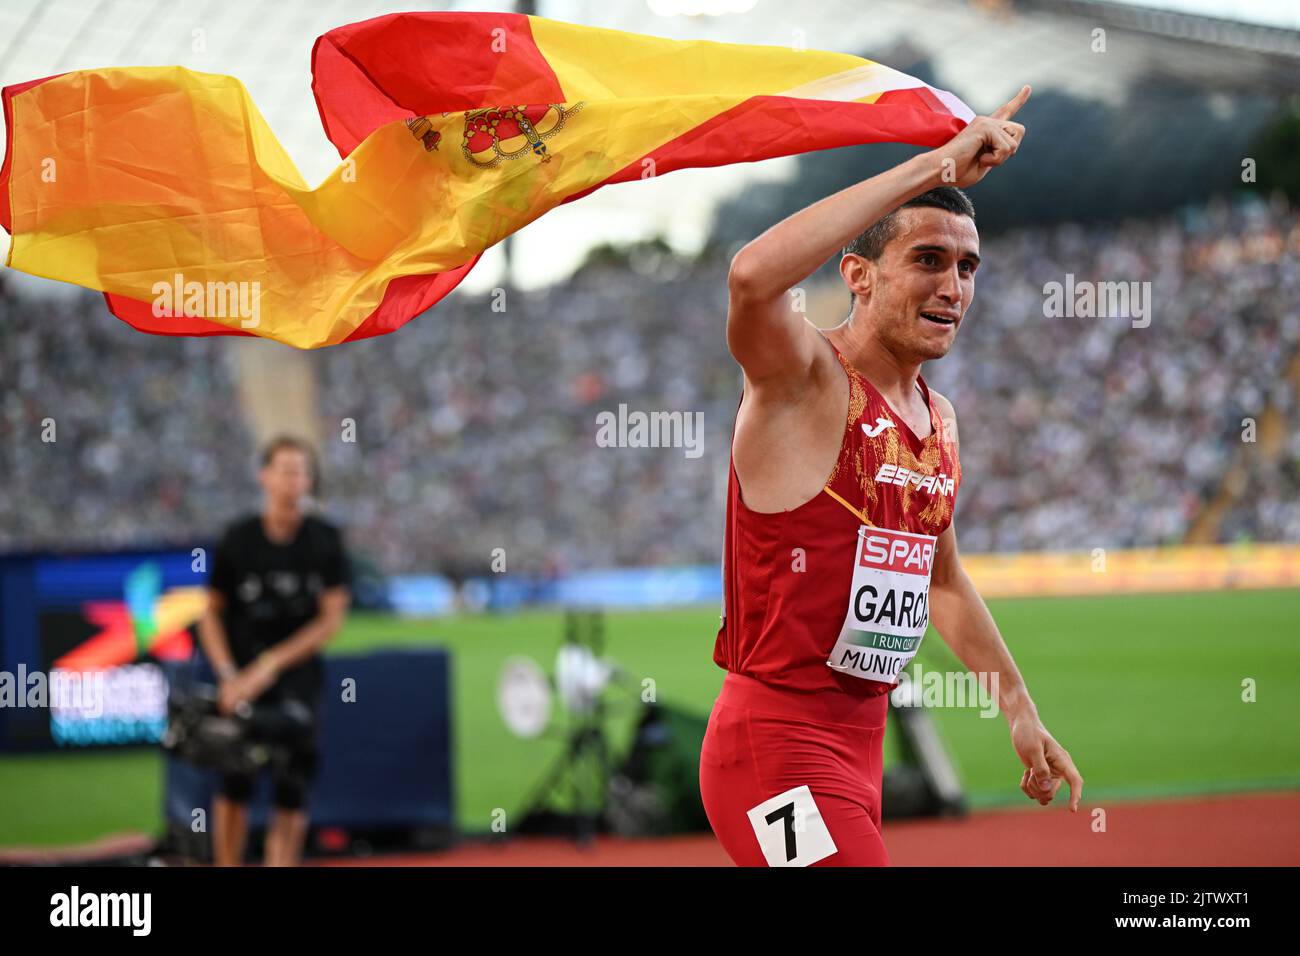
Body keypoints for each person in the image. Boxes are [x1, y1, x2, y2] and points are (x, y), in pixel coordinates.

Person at [699, 85, 1083, 867]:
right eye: (928, 260)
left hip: (859, 750)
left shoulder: (938, 420)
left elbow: (941, 580)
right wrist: (934, 166)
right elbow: (751, 278)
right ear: (859, 274)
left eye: (968, 267)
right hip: (772, 752)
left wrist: (1016, 705)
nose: (954, 287)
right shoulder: (804, 378)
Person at [198, 435, 351, 866]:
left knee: (293, 784)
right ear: (264, 476)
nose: (293, 480)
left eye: (301, 471)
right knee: (233, 779)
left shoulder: (325, 540)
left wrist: (270, 666)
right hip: (239, 676)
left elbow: (331, 619)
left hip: (297, 680)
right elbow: (209, 613)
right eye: (284, 470)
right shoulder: (238, 539)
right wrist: (229, 674)